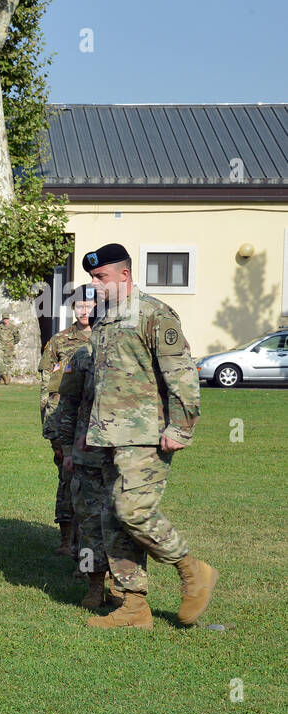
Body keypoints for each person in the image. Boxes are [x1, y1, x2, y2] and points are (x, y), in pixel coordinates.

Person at [80, 243, 217, 628]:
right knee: (113, 519)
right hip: (107, 437)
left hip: (146, 436)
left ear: (124, 275)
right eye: (92, 278)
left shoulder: (154, 314)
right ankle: (134, 606)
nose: (95, 284)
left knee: (133, 511)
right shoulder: (105, 320)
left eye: (101, 277)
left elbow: (182, 373)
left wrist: (181, 426)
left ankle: (192, 570)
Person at [53, 335, 121, 611]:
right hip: (88, 453)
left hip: (124, 454)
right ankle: (93, 585)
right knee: (89, 522)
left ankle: (121, 585)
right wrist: (67, 448)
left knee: (122, 521)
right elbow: (67, 404)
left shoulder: (135, 351)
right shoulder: (83, 355)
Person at [40, 285, 96, 556]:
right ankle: (66, 540)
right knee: (67, 479)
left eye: (89, 305)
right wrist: (52, 431)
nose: (84, 311)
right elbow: (48, 388)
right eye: (80, 306)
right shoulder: (60, 341)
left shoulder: (107, 338)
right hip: (65, 421)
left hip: (98, 423)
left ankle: (88, 543)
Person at [0, 313, 20, 384]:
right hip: (0, 346)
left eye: (7, 319)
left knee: (7, 363)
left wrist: (12, 344)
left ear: (9, 319)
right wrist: (1, 342)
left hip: (9, 347)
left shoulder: (13, 327)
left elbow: (17, 337)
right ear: (2, 319)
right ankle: (4, 376)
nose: (6, 320)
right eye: (4, 319)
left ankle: (3, 379)